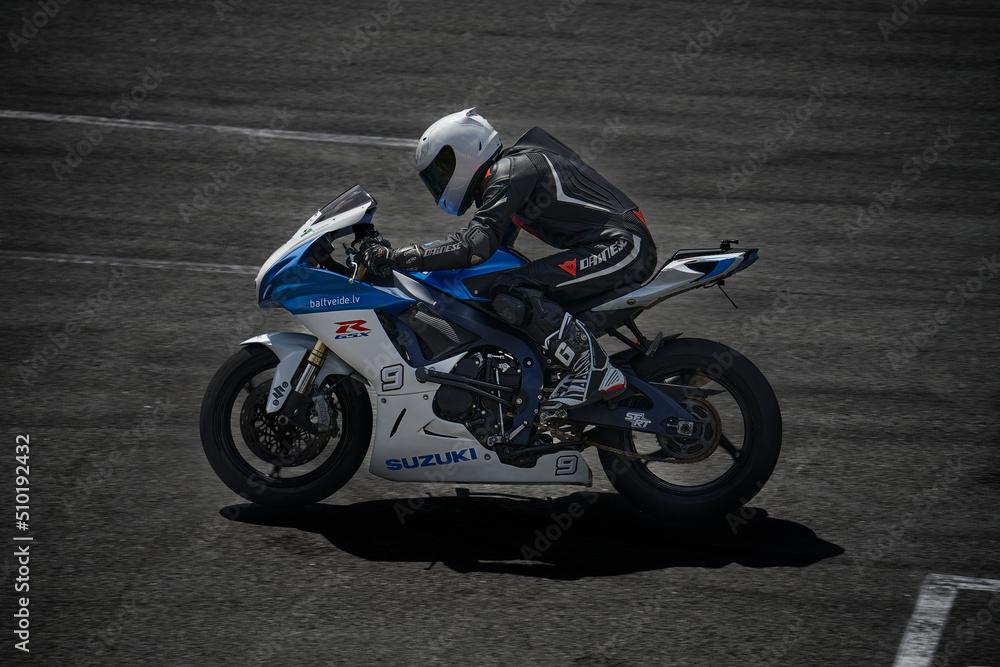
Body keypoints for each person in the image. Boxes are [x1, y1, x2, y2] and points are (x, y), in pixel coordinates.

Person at [358, 109, 657, 411]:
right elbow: (491, 248)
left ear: (467, 150)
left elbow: (475, 246)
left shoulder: (510, 170)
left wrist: (398, 257)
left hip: (622, 246)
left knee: (510, 289)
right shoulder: (510, 172)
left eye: (443, 167)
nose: (441, 179)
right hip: (613, 245)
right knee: (503, 283)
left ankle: (593, 372)